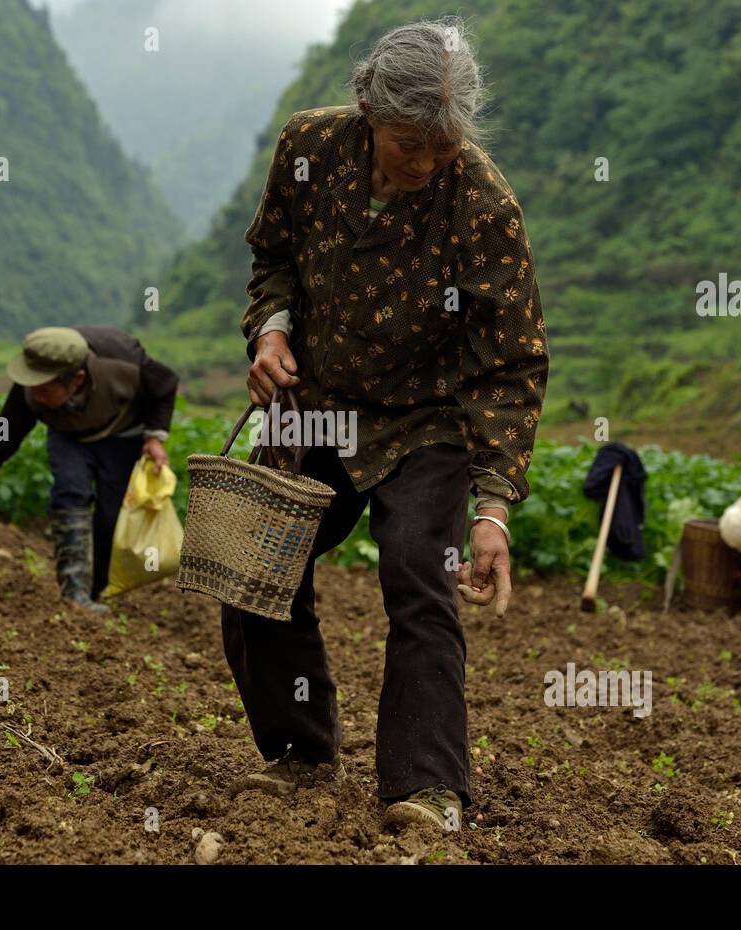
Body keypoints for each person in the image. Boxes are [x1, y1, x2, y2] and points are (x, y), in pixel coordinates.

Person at [224, 18, 549, 833]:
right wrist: (271, 331)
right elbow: (273, 259)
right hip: (322, 408)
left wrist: (494, 507)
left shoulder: (483, 206)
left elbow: (509, 365)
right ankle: (300, 757)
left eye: (443, 147)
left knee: (418, 575)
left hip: (425, 423)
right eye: (411, 144)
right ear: (367, 106)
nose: (428, 162)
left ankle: (426, 788)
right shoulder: (308, 150)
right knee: (258, 568)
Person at [0, 326, 178, 613]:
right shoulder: (30, 389)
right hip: (67, 437)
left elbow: (166, 386)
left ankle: (96, 592)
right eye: (32, 386)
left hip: (122, 435)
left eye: (44, 390)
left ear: (76, 380)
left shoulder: (124, 362)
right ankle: (74, 595)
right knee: (69, 494)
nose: (36, 396)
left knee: (109, 520)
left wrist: (155, 437)